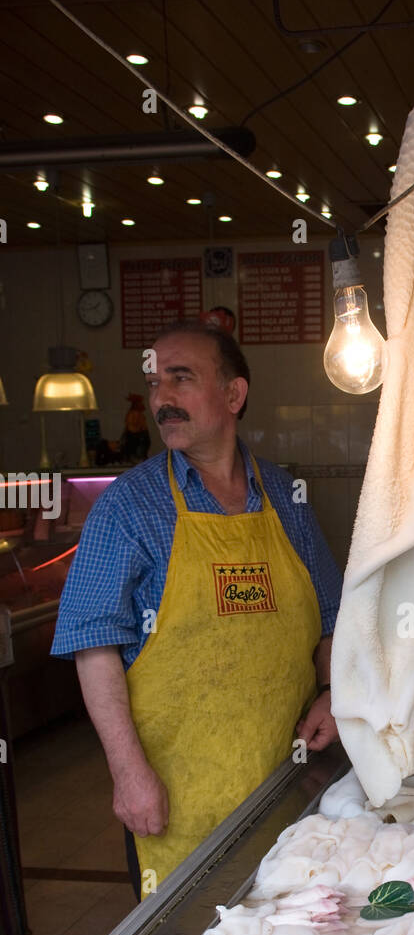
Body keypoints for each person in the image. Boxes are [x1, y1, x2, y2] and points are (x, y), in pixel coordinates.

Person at [52, 320, 341, 894]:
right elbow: (93, 646)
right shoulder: (127, 508)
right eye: (156, 383)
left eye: (181, 379)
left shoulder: (287, 496)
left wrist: (333, 693)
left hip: (290, 782)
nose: (162, 398)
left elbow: (331, 617)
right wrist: (127, 771)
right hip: (178, 796)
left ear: (234, 395)